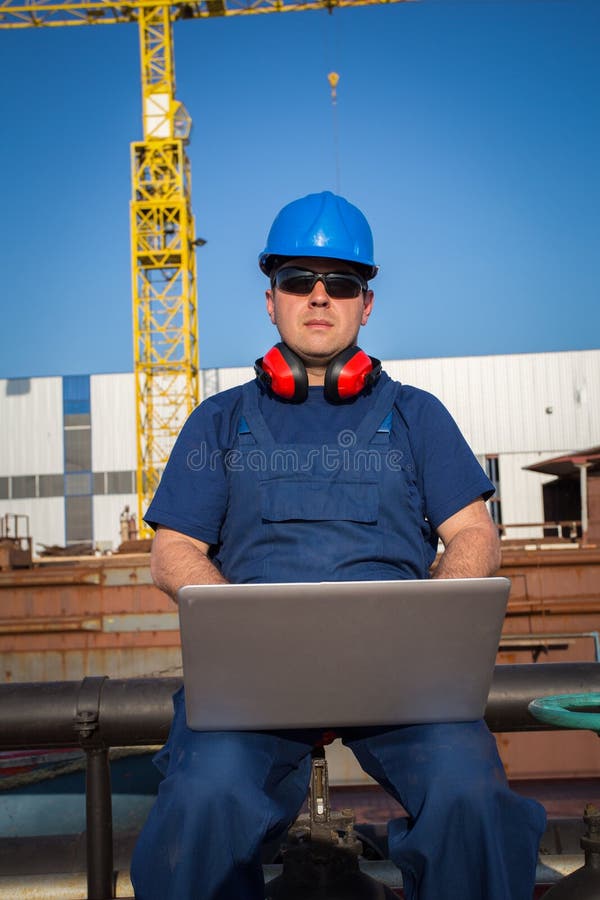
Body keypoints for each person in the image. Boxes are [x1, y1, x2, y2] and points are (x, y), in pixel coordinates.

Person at [130, 191, 546, 900]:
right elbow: (173, 550)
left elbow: (474, 533)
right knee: (203, 802)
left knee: (469, 796)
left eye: (341, 284)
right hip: (254, 684)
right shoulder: (219, 421)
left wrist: (436, 621)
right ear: (271, 300)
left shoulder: (418, 416)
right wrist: (237, 625)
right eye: (299, 281)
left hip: (404, 680)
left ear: (366, 304)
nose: (319, 297)